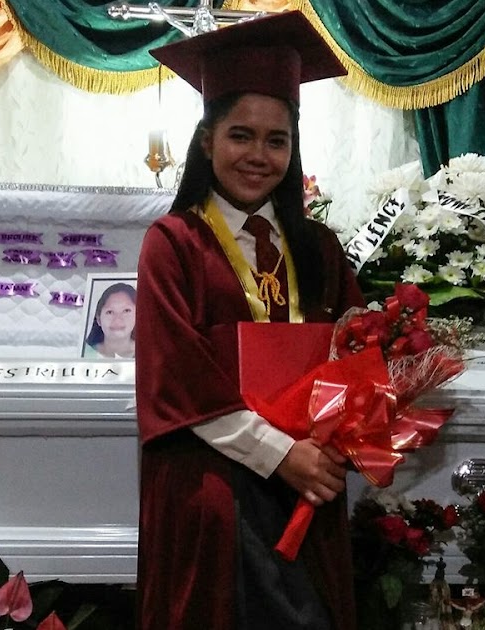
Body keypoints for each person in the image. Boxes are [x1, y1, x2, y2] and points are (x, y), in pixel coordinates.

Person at [135, 11, 364, 630]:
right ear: (206, 141)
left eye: (276, 139)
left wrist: (338, 436)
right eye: (241, 135)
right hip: (211, 492)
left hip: (306, 490)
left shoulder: (319, 248)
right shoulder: (174, 243)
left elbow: (359, 360)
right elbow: (176, 376)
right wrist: (279, 453)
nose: (258, 155)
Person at [83, 282, 136, 358]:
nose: (117, 319)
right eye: (110, 312)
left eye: (126, 311)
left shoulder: (148, 353)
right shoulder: (84, 353)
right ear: (99, 319)